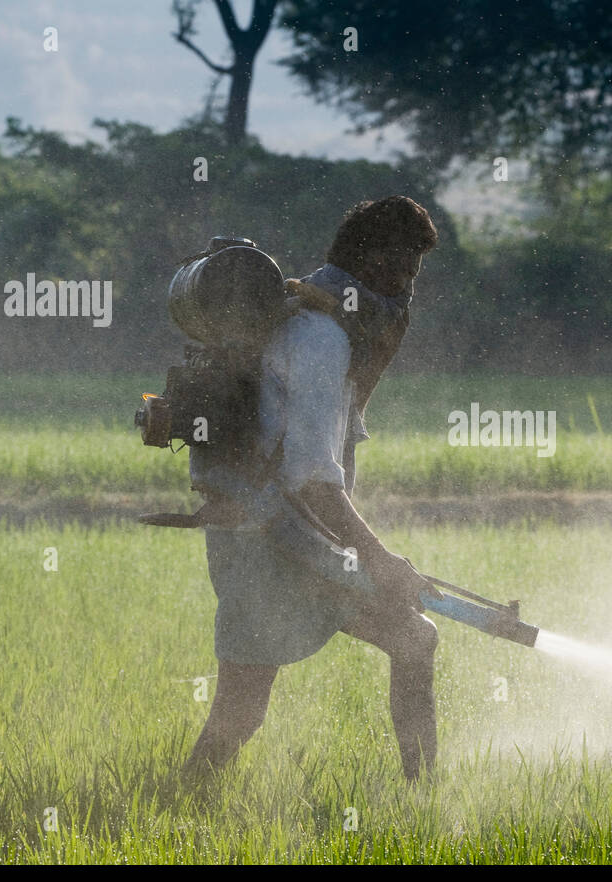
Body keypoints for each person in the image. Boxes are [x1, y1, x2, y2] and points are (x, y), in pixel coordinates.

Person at [181, 196, 442, 783]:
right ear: (374, 266)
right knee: (244, 708)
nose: (405, 291)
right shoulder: (324, 339)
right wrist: (381, 559)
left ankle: (422, 794)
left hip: (265, 530)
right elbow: (313, 478)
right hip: (272, 538)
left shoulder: (306, 314)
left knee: (410, 638)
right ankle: (424, 796)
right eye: (404, 272)